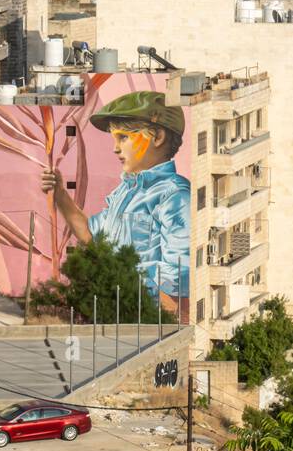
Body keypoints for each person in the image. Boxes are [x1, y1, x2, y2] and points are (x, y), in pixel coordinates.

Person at [41, 91, 190, 304]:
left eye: (124, 137)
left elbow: (180, 276)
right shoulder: (125, 191)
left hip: (142, 318)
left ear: (157, 137)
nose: (115, 148)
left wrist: (114, 273)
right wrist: (60, 194)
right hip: (113, 310)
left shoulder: (174, 196)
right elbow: (91, 236)